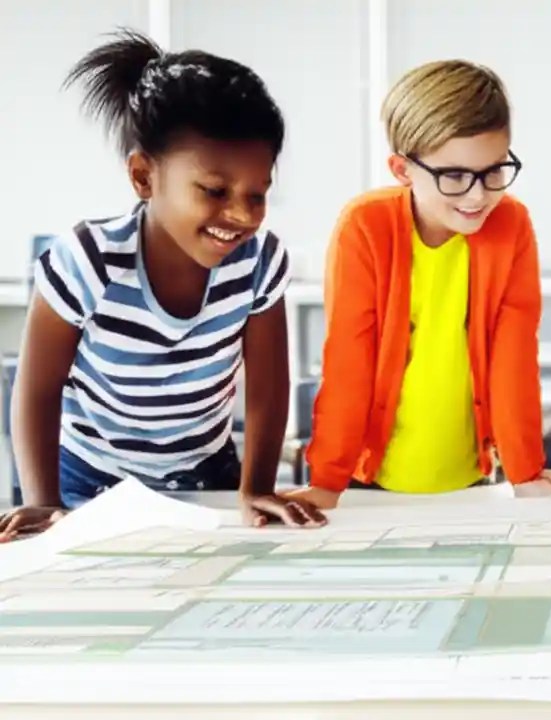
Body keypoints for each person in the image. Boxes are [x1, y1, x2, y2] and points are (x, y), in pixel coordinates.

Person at [0, 29, 323, 543]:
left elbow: (267, 385)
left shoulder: (259, 263)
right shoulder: (88, 260)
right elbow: (37, 392)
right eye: (214, 191)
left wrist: (257, 486)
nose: (241, 215)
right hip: (89, 478)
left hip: (206, 472)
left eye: (257, 194)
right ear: (143, 177)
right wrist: (43, 502)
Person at [292, 59, 551, 507]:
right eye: (455, 176)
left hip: (470, 484)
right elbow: (349, 358)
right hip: (369, 484)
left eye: (494, 171)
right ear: (403, 170)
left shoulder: (511, 224)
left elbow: (514, 355)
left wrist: (525, 473)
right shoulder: (364, 226)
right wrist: (327, 482)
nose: (479, 195)